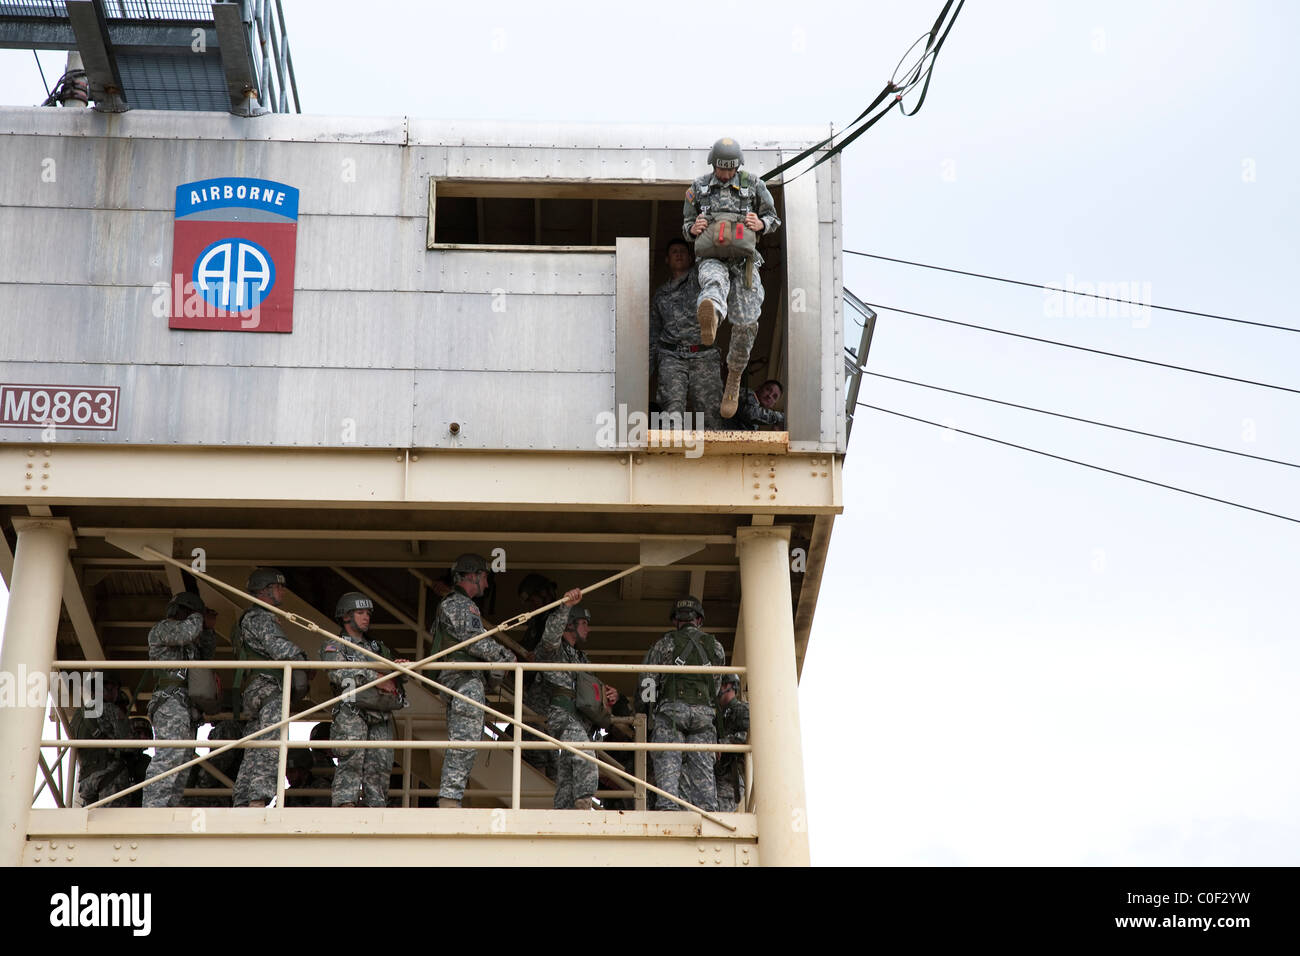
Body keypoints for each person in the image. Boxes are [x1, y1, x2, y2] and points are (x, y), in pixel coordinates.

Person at [684, 137, 781, 419]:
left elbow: (773, 218)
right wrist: (693, 228)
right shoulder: (698, 188)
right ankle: (711, 318)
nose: (725, 174)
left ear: (737, 166)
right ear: (713, 164)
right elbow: (686, 225)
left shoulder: (754, 185)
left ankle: (734, 377)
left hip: (744, 262)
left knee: (747, 321)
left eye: (729, 169)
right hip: (712, 256)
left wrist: (761, 223)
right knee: (713, 285)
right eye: (720, 169)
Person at [433, 553, 517, 808]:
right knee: (465, 740)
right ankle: (450, 798)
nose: (487, 584)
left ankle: (451, 796)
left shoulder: (457, 604)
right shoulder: (461, 604)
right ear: (472, 576)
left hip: (461, 678)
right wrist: (506, 657)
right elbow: (474, 639)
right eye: (485, 578)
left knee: (466, 738)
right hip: (462, 678)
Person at [638, 596, 726, 811]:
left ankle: (668, 809)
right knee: (703, 772)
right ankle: (707, 816)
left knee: (668, 767)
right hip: (704, 716)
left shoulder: (663, 644)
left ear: (675, 620)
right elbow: (715, 687)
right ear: (699, 620)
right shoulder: (716, 647)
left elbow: (647, 682)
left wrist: (649, 712)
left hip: (671, 714)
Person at [232, 568, 309, 808]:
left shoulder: (248, 619)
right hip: (268, 687)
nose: (282, 591)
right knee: (271, 744)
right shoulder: (261, 618)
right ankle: (258, 799)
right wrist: (305, 660)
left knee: (255, 747)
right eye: (278, 587)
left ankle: (243, 799)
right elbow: (281, 649)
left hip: (255, 688)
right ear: (265, 591)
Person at [534, 598, 620, 809]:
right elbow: (550, 635)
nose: (588, 629)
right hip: (563, 713)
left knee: (567, 771)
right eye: (584, 623)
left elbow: (591, 688)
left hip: (581, 719)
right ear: (570, 624)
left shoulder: (582, 658)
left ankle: (564, 811)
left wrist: (610, 694)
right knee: (585, 754)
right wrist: (566, 607)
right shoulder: (553, 651)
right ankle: (584, 803)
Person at [322, 591, 405, 807]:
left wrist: (398, 669)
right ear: (346, 616)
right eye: (360, 613)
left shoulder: (377, 648)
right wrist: (375, 676)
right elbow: (337, 674)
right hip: (352, 712)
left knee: (381, 764)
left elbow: (392, 679)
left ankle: (376, 809)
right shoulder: (335, 646)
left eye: (367, 613)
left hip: (380, 713)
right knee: (351, 760)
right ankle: (345, 805)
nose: (366, 617)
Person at [142, 592, 218, 808]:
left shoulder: (190, 641)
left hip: (186, 705)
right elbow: (186, 633)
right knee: (169, 756)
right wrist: (198, 617)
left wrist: (209, 630)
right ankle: (153, 808)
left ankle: (168, 808)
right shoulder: (164, 628)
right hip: (169, 702)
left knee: (183, 762)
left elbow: (206, 656)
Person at [651, 238, 722, 429]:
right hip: (672, 356)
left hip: (704, 354)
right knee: (671, 411)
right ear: (667, 259)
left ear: (691, 258)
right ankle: (671, 452)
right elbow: (654, 334)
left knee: (709, 410)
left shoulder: (700, 280)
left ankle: (712, 456)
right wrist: (647, 369)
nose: (679, 254)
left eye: (683, 251)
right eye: (674, 252)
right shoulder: (661, 294)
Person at [517, 573, 559, 779]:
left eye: (533, 600)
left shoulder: (555, 619)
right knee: (536, 737)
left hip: (547, 687)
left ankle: (543, 785)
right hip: (535, 684)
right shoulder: (537, 621)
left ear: (544, 595)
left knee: (538, 737)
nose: (530, 606)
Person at [72, 672, 134, 808]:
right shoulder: (110, 709)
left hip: (86, 781)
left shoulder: (77, 715)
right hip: (109, 777)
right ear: (109, 687)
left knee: (92, 824)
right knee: (113, 824)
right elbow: (129, 744)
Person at [185, 717, 244, 807]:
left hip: (217, 795)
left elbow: (221, 759)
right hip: (223, 791)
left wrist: (202, 783)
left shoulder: (227, 726)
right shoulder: (231, 726)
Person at [714, 674, 750, 812]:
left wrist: (725, 743)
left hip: (732, 779)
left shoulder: (742, 710)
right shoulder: (718, 717)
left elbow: (749, 736)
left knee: (715, 817)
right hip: (717, 776)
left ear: (728, 686)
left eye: (721, 685)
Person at [720, 373, 787, 431]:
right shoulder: (747, 394)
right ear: (759, 388)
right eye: (768, 389)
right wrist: (782, 417)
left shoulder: (757, 422)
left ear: (773, 405)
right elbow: (750, 413)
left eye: (774, 396)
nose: (769, 396)